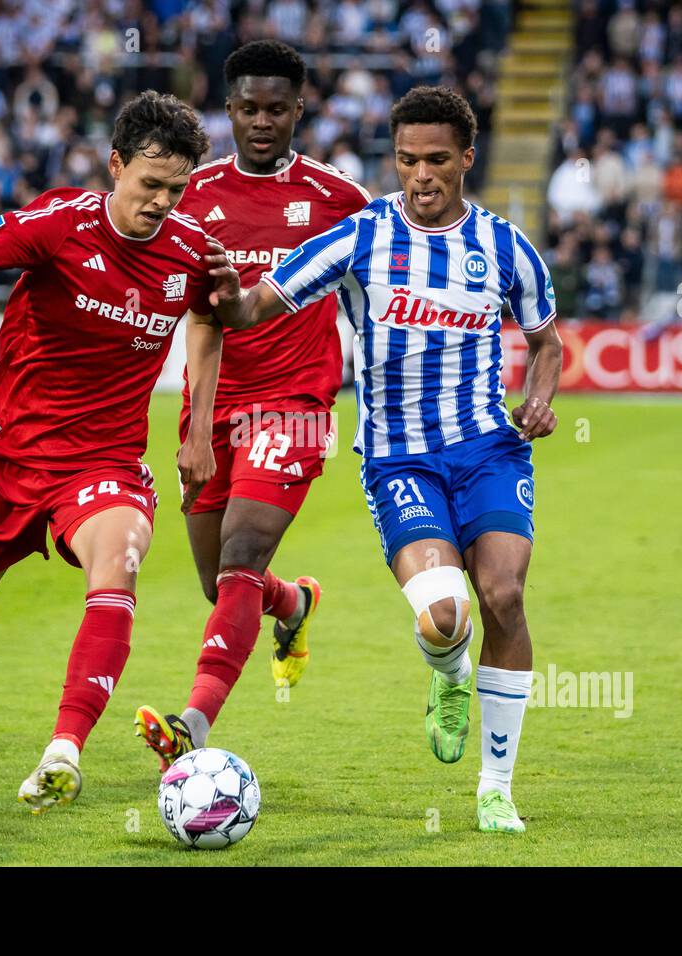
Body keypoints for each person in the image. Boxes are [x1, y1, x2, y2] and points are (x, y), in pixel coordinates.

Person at [204, 86, 563, 833]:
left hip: (488, 450)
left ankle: (496, 787)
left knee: (503, 596)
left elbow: (547, 342)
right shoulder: (360, 236)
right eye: (406, 160)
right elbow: (254, 309)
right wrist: (229, 295)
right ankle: (450, 674)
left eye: (436, 160)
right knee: (444, 616)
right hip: (400, 461)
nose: (421, 175)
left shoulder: (505, 246)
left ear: (468, 158)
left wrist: (537, 398)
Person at [0, 91, 223, 814]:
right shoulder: (60, 221)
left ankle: (62, 751)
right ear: (115, 166)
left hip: (105, 465)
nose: (161, 203)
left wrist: (197, 434)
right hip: (8, 459)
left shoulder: (191, 251)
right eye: (149, 186)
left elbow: (207, 320)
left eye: (176, 190)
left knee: (119, 562)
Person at [132, 40, 372, 770]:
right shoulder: (193, 196)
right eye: (248, 109)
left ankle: (192, 727)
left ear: (300, 109)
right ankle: (292, 605)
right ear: (228, 109)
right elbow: (199, 320)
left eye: (277, 109)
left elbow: (377, 304)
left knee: (240, 555)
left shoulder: (342, 200)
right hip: (213, 407)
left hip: (296, 405)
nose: (262, 122)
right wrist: (196, 430)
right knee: (220, 584)